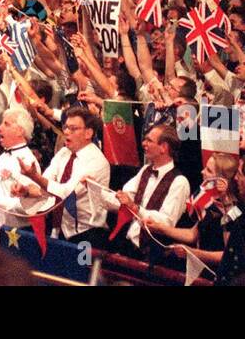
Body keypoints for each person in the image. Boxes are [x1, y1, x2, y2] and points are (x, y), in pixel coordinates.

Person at [15, 106, 111, 249]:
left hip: (88, 235)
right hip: (62, 229)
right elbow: (46, 187)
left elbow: (66, 193)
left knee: (81, 271)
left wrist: (34, 176)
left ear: (88, 133)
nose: (66, 132)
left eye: (73, 129)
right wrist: (26, 191)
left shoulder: (97, 161)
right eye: (66, 127)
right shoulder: (64, 153)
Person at [93, 124, 189, 257]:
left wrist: (135, 208)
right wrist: (93, 188)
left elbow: (166, 223)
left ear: (164, 147)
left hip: (152, 255)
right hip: (127, 245)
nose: (144, 143)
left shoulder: (180, 182)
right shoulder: (145, 170)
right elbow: (122, 201)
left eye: (149, 140)